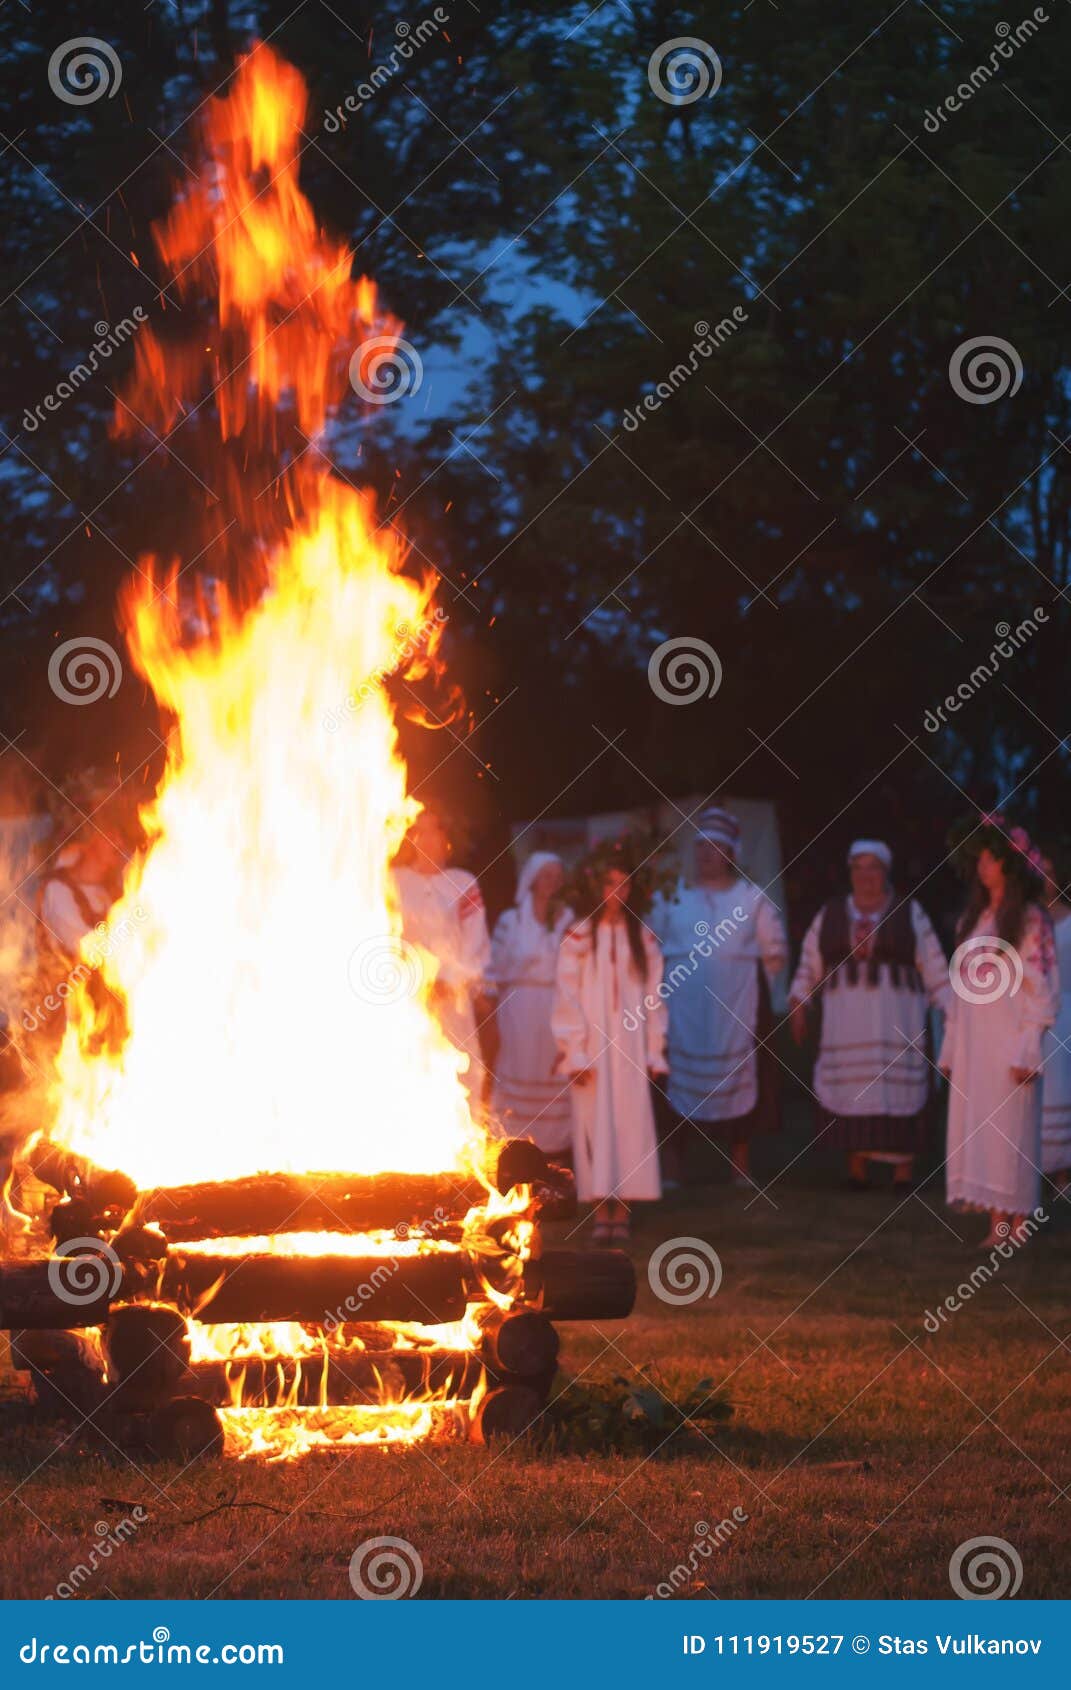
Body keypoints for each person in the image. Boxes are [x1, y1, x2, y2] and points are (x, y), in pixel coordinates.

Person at [789, 839, 950, 1190]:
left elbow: (934, 965)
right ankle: (856, 1168)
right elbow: (809, 963)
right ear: (850, 873)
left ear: (885, 872)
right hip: (845, 1025)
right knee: (854, 1091)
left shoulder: (910, 912)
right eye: (858, 868)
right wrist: (800, 1000)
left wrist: (951, 1009)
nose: (866, 876)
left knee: (898, 1092)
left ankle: (902, 1172)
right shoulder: (830, 913)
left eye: (873, 867)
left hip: (898, 1022)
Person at [650, 805, 787, 1189]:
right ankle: (674, 1169)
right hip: (683, 1008)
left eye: (714, 847)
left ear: (730, 853)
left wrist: (748, 982)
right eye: (700, 847)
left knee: (739, 1074)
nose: (706, 854)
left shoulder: (752, 897)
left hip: (735, 1006)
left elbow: (774, 951)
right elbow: (649, 944)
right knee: (674, 1077)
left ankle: (740, 1166)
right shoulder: (673, 896)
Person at [942, 815, 1058, 1243]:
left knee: (1011, 1128)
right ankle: (996, 1221)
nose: (982, 867)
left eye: (990, 859)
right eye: (981, 860)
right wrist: (952, 1045)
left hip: (1009, 1042)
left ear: (1009, 865)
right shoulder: (973, 920)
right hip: (977, 1044)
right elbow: (959, 988)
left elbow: (1042, 989)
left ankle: (1017, 1221)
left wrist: (1029, 1046)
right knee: (983, 1127)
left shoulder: (1029, 920)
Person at [551, 846, 667, 1244]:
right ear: (596, 887)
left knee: (629, 1122)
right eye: (609, 884)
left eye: (625, 884)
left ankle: (625, 1211)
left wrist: (654, 1049)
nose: (617, 892)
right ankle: (602, 1210)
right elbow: (566, 994)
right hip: (594, 1046)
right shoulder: (580, 935)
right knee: (595, 1124)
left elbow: (655, 995)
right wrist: (575, 1049)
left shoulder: (644, 938)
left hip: (631, 1049)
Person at [393, 807, 494, 1109]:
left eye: (433, 830)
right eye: (417, 830)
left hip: (451, 999)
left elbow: (475, 943)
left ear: (445, 837)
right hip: (402, 997)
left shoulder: (463, 883)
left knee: (456, 1077)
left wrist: (448, 979)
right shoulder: (394, 880)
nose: (425, 839)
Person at [489, 852, 574, 1154]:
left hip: (554, 1004)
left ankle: (553, 1147)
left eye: (557, 876)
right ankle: (514, 1142)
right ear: (533, 879)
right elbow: (494, 968)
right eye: (546, 875)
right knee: (519, 1063)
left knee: (550, 1068)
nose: (552, 882)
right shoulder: (511, 921)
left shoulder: (566, 919)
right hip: (519, 1004)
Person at [1039, 846, 1071, 1188]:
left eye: (1048, 871)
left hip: (1065, 1014)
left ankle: (1063, 1171)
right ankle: (1032, 1171)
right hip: (1034, 1017)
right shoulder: (1025, 920)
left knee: (1063, 1088)